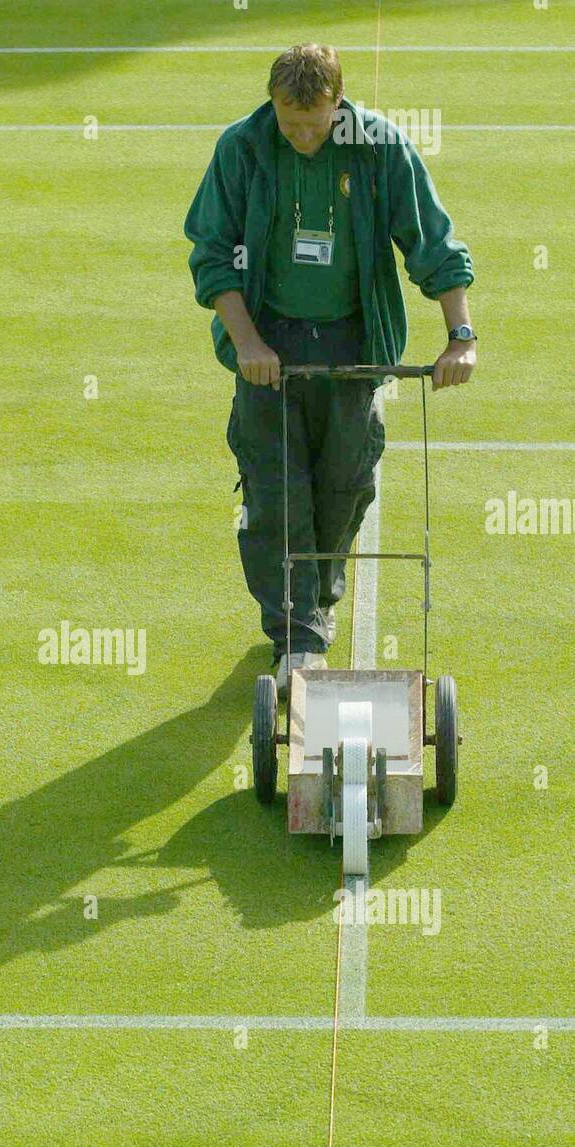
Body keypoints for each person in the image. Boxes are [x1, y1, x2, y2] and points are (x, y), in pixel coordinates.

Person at [184, 43, 476, 693]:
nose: (303, 136)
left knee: (343, 480)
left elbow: (429, 240)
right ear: (273, 106)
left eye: (314, 123)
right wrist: (248, 344)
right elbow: (212, 255)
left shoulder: (377, 146)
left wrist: (458, 336)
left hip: (353, 339)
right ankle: (294, 634)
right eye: (291, 124)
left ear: (336, 105)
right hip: (268, 341)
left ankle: (315, 599)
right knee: (273, 488)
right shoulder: (244, 147)